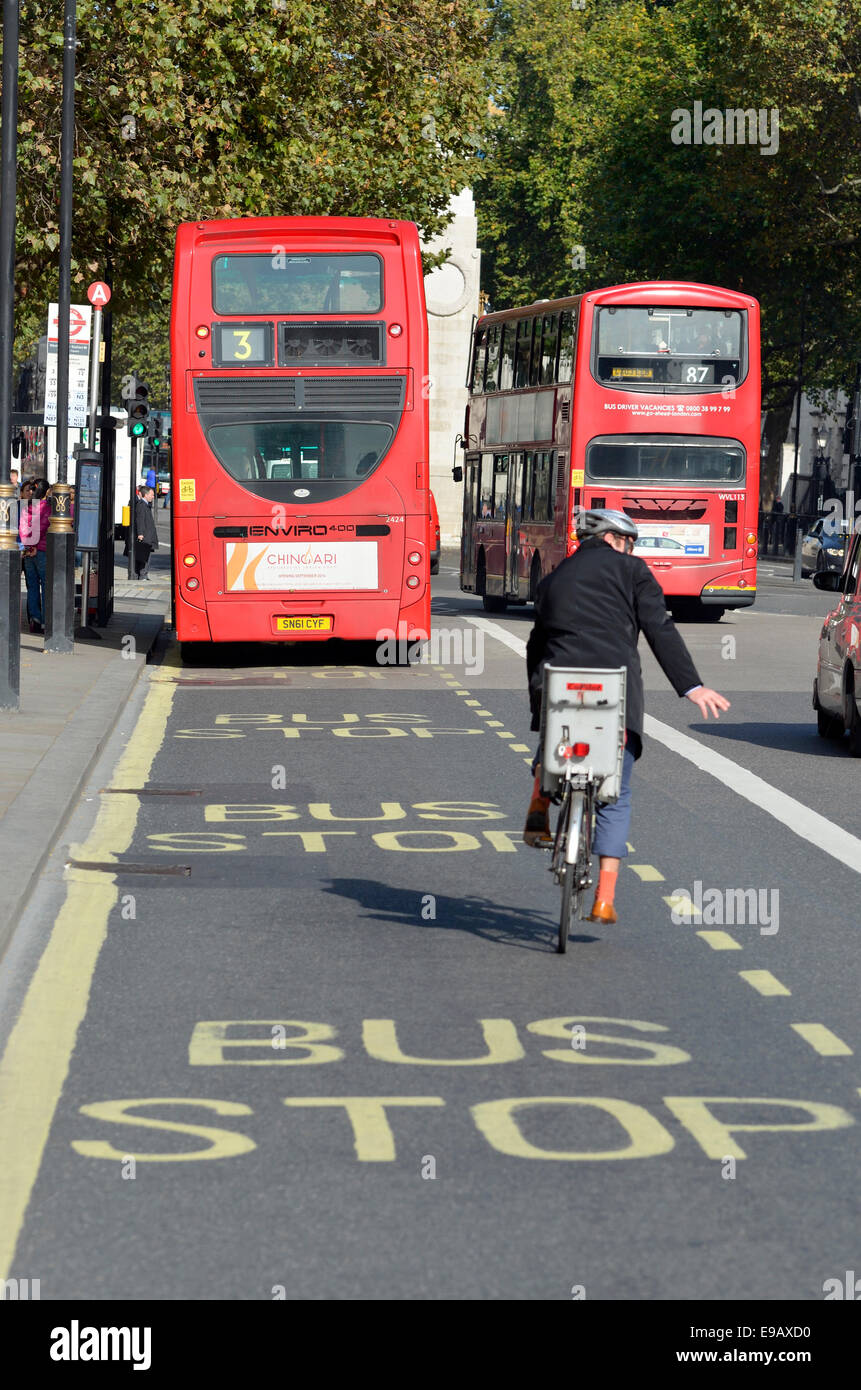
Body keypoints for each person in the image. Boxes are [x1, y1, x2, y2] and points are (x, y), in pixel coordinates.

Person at [524, 509, 730, 924]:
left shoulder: (554, 578)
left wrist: (537, 707)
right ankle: (604, 898)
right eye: (629, 542)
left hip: (561, 685)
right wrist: (691, 685)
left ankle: (538, 806)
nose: (630, 549)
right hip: (615, 695)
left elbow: (536, 644)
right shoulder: (634, 572)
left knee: (553, 739)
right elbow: (659, 627)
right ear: (615, 539)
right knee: (617, 793)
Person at [19, 477, 51, 634]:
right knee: (46, 585)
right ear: (47, 491)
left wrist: (27, 546)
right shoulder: (46, 507)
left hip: (28, 551)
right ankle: (45, 620)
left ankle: (35, 619)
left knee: (32, 586)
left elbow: (22, 528)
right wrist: (35, 546)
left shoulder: (26, 507)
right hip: (42, 550)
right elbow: (42, 527)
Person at [134, 486, 159, 580]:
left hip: (147, 535)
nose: (153, 497)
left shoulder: (146, 504)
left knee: (146, 556)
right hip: (145, 536)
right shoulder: (141, 505)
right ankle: (143, 575)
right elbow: (140, 520)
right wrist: (140, 533)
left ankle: (144, 575)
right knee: (144, 557)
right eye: (152, 495)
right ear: (146, 495)